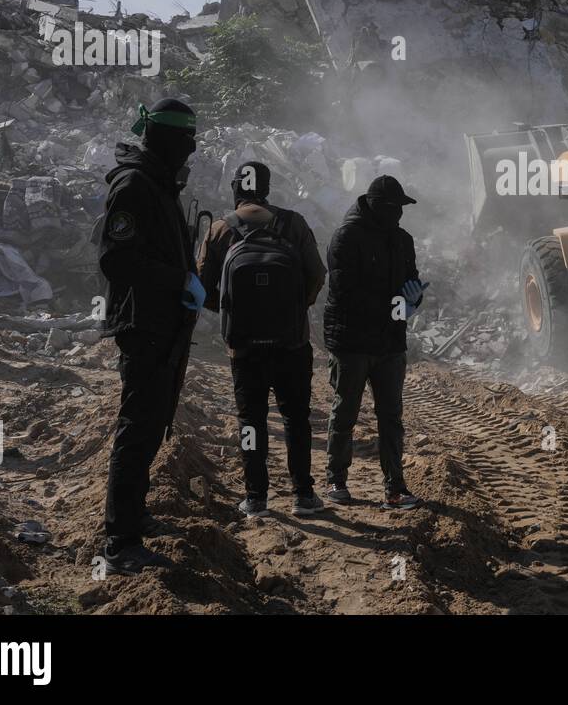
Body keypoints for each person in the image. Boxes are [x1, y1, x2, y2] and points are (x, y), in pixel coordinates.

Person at [98, 98, 204, 575]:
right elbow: (116, 260)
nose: (191, 151)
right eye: (187, 141)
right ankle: (121, 543)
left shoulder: (159, 184)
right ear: (166, 139)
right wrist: (178, 281)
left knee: (153, 423)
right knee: (138, 430)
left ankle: (134, 515)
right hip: (142, 325)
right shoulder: (135, 184)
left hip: (162, 327)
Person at [197, 161, 327, 518]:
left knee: (251, 421)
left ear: (236, 189)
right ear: (267, 188)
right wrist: (295, 309)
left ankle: (256, 497)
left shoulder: (221, 228)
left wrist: (231, 311)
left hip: (244, 347)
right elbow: (317, 274)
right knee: (296, 419)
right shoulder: (293, 223)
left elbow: (202, 287)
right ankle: (303, 495)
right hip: (292, 343)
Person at [323, 175, 427, 509]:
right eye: (393, 207)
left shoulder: (402, 240)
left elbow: (410, 282)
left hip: (390, 343)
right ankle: (336, 480)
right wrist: (395, 305)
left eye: (401, 208)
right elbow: (346, 294)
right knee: (345, 413)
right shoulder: (345, 237)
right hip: (352, 341)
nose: (398, 213)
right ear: (373, 205)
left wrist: (413, 300)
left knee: (391, 418)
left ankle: (395, 487)